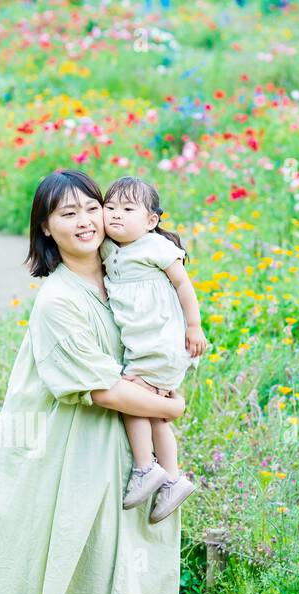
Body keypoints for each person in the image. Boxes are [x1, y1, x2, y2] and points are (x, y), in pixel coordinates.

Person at [0, 169, 186, 594]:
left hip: (129, 455)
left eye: (90, 207)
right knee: (49, 573)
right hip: (59, 457)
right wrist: (172, 405)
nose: (84, 222)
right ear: (46, 230)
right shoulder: (59, 300)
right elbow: (102, 389)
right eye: (66, 214)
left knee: (139, 568)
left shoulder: (128, 273)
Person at [100, 176, 207, 522]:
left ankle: (146, 468)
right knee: (156, 412)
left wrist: (194, 326)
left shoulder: (154, 247)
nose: (116, 215)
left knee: (133, 400)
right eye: (110, 207)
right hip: (143, 345)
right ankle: (173, 478)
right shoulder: (108, 248)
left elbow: (183, 285)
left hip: (162, 343)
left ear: (151, 221)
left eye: (128, 209)